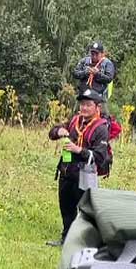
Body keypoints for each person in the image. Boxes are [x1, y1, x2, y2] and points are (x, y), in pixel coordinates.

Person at [46, 89, 111, 247]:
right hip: (66, 171)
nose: (84, 108)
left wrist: (79, 150)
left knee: (86, 212)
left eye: (88, 105)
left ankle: (87, 244)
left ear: (98, 108)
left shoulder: (101, 128)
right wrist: (59, 131)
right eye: (82, 104)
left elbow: (100, 158)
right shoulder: (75, 120)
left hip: (85, 175)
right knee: (66, 208)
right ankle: (66, 239)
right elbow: (53, 133)